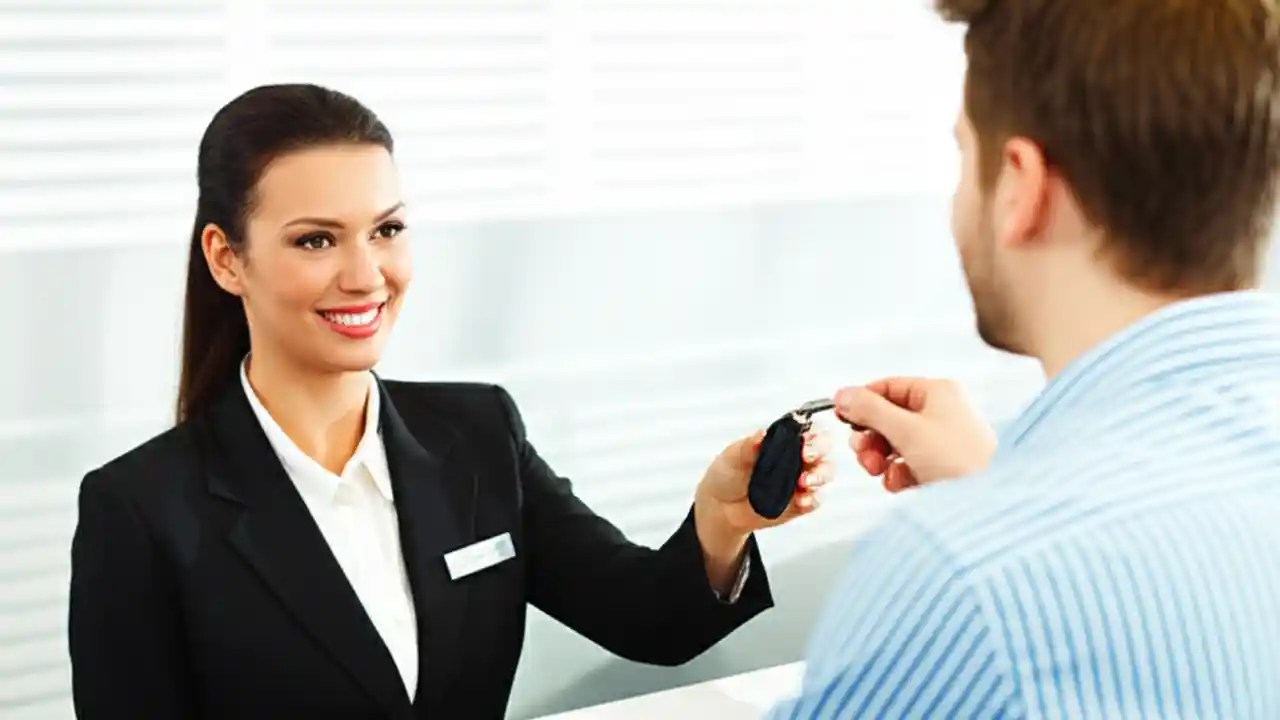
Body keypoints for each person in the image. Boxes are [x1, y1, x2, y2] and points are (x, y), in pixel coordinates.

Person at [67, 83, 834, 720]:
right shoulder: (137, 512)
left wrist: (720, 520)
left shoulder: (477, 433)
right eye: (316, 240)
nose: (366, 274)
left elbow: (649, 621)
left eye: (387, 229)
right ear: (227, 258)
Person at [770, 0, 1280, 717]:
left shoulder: (965, 583)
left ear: (1019, 187)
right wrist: (1003, 485)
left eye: (962, 153)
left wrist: (997, 520)